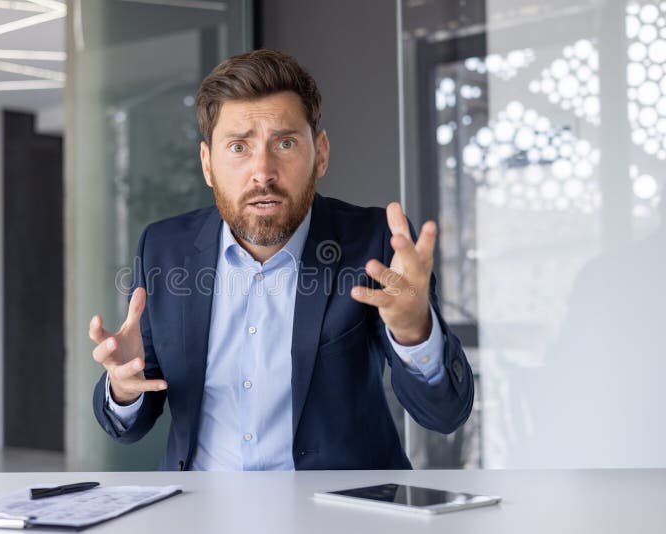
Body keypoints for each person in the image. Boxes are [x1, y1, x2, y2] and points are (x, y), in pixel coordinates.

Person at [90, 49, 473, 471]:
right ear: (207, 165)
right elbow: (132, 420)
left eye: (285, 143)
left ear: (321, 153)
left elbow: (445, 414)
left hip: (337, 513)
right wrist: (124, 387)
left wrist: (415, 332)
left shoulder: (376, 245)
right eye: (238, 147)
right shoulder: (164, 248)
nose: (263, 172)